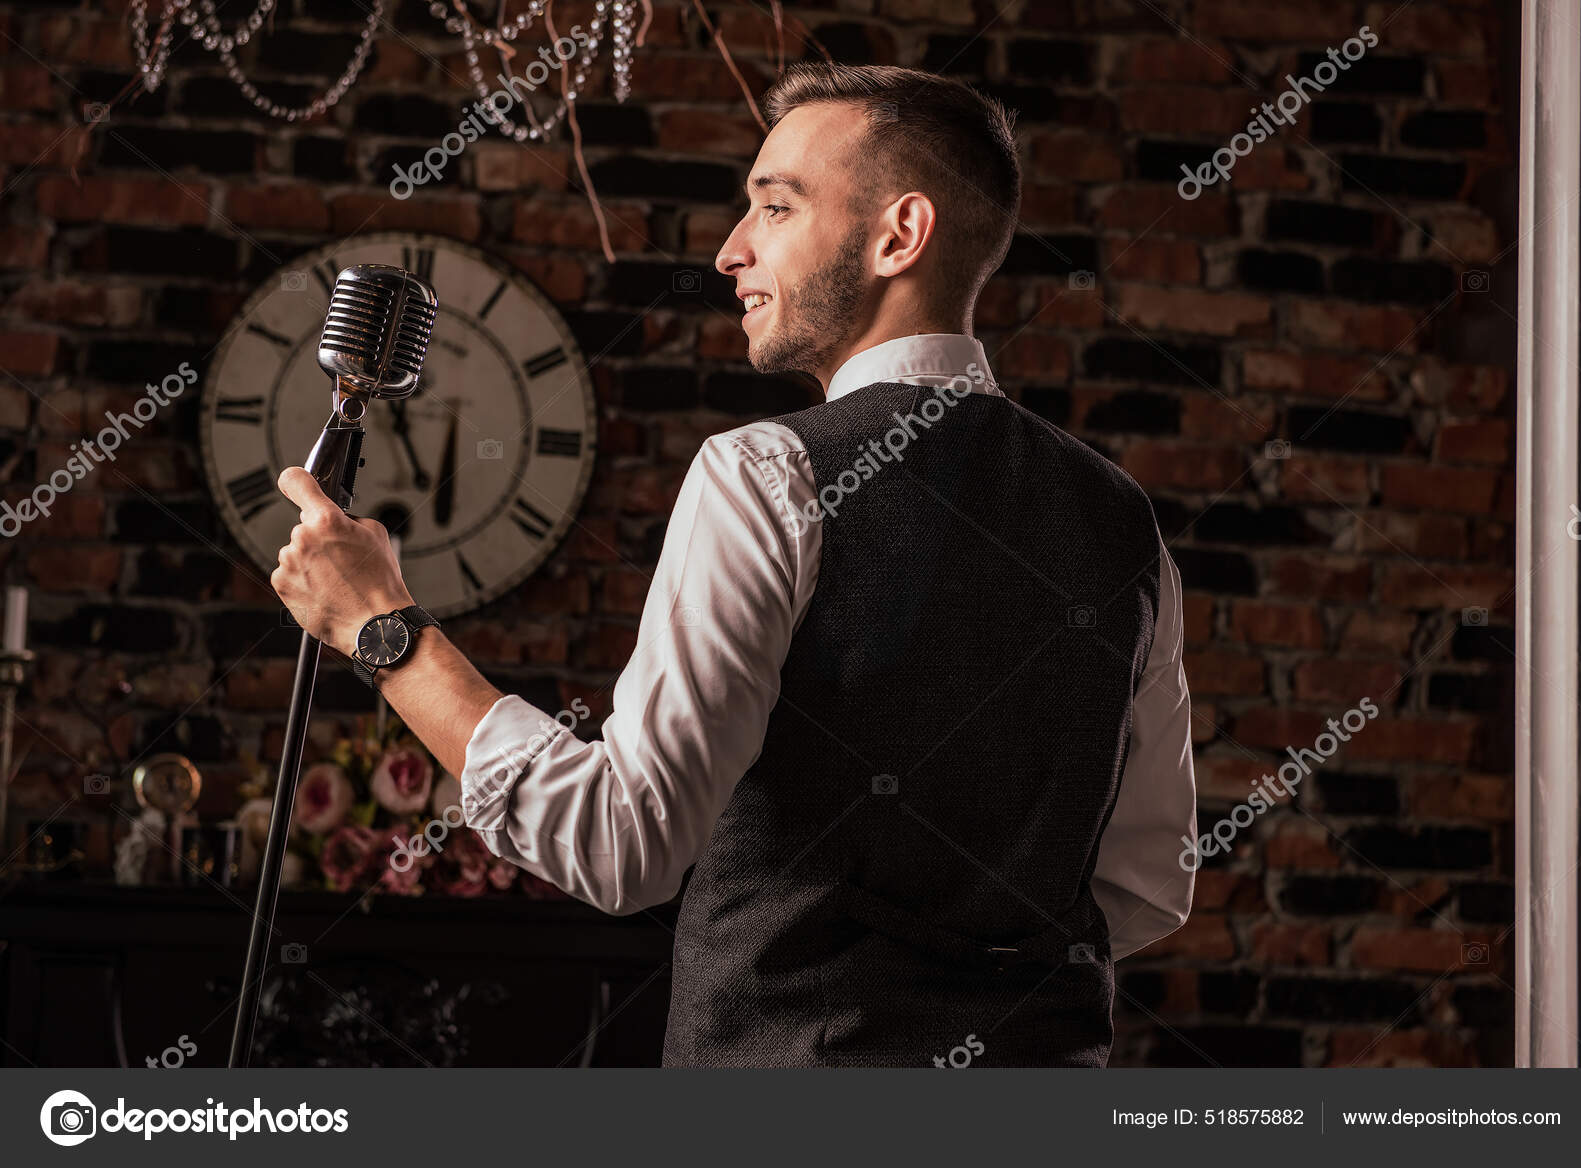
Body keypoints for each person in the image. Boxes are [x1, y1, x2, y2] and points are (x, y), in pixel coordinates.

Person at [271, 62, 1196, 1067]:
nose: (731, 250)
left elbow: (617, 846)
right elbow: (1147, 882)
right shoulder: (1121, 523)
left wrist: (384, 630)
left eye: (776, 206)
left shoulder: (769, 475)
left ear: (899, 234)